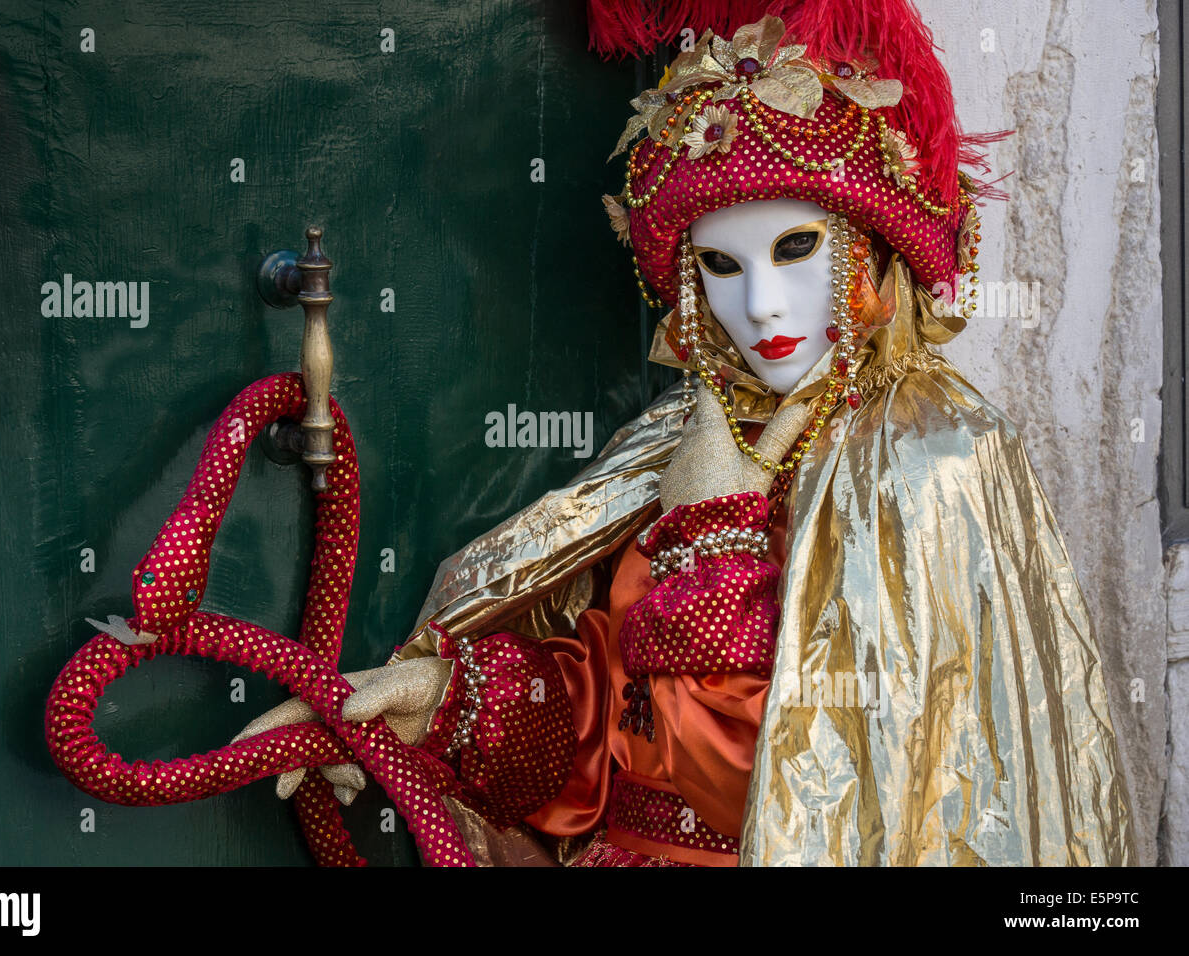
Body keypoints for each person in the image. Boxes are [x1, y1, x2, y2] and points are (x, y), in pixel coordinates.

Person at [236, 1, 1136, 867]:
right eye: (719, 264)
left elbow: (805, 794)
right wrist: (444, 704)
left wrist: (717, 535)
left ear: (873, 249)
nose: (761, 306)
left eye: (796, 249)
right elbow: (628, 727)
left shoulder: (935, 461)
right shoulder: (685, 441)